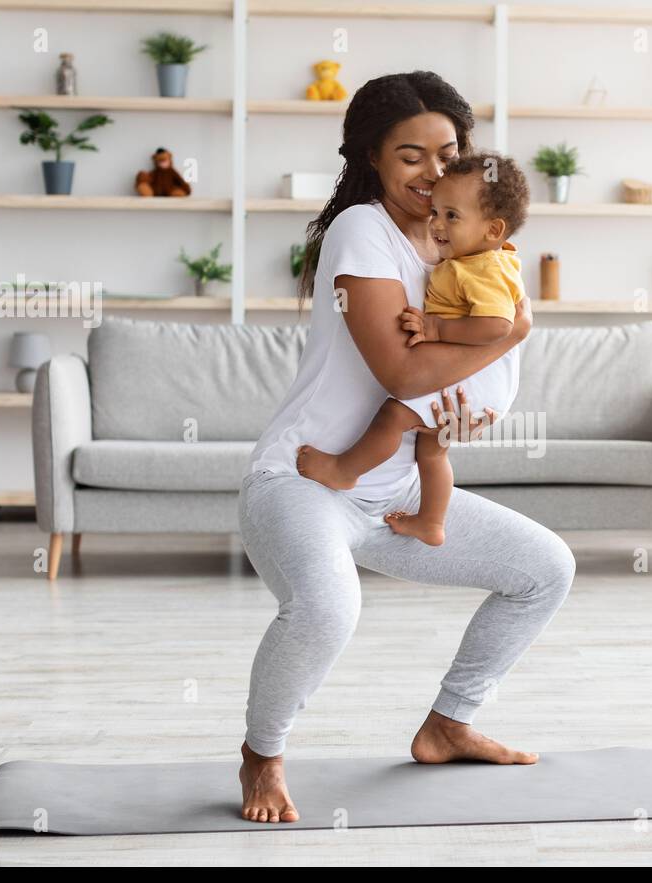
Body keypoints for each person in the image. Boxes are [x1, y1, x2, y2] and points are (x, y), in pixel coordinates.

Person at [237, 71, 576, 824]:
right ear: (371, 159)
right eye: (409, 156)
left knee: (545, 568)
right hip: (303, 480)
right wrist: (509, 336)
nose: (430, 174)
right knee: (328, 609)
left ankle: (447, 725)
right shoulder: (363, 230)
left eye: (446, 152)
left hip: (393, 491)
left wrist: (457, 413)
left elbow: (441, 379)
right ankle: (262, 754)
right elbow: (402, 369)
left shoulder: (461, 242)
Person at [295, 150, 531, 547]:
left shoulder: (483, 269)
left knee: (393, 416)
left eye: (451, 216)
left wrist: (436, 327)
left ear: (493, 230)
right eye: (436, 211)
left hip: (475, 377)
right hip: (480, 380)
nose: (436, 224)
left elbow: (498, 326)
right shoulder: (482, 260)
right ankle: (431, 521)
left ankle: (344, 470)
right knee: (433, 451)